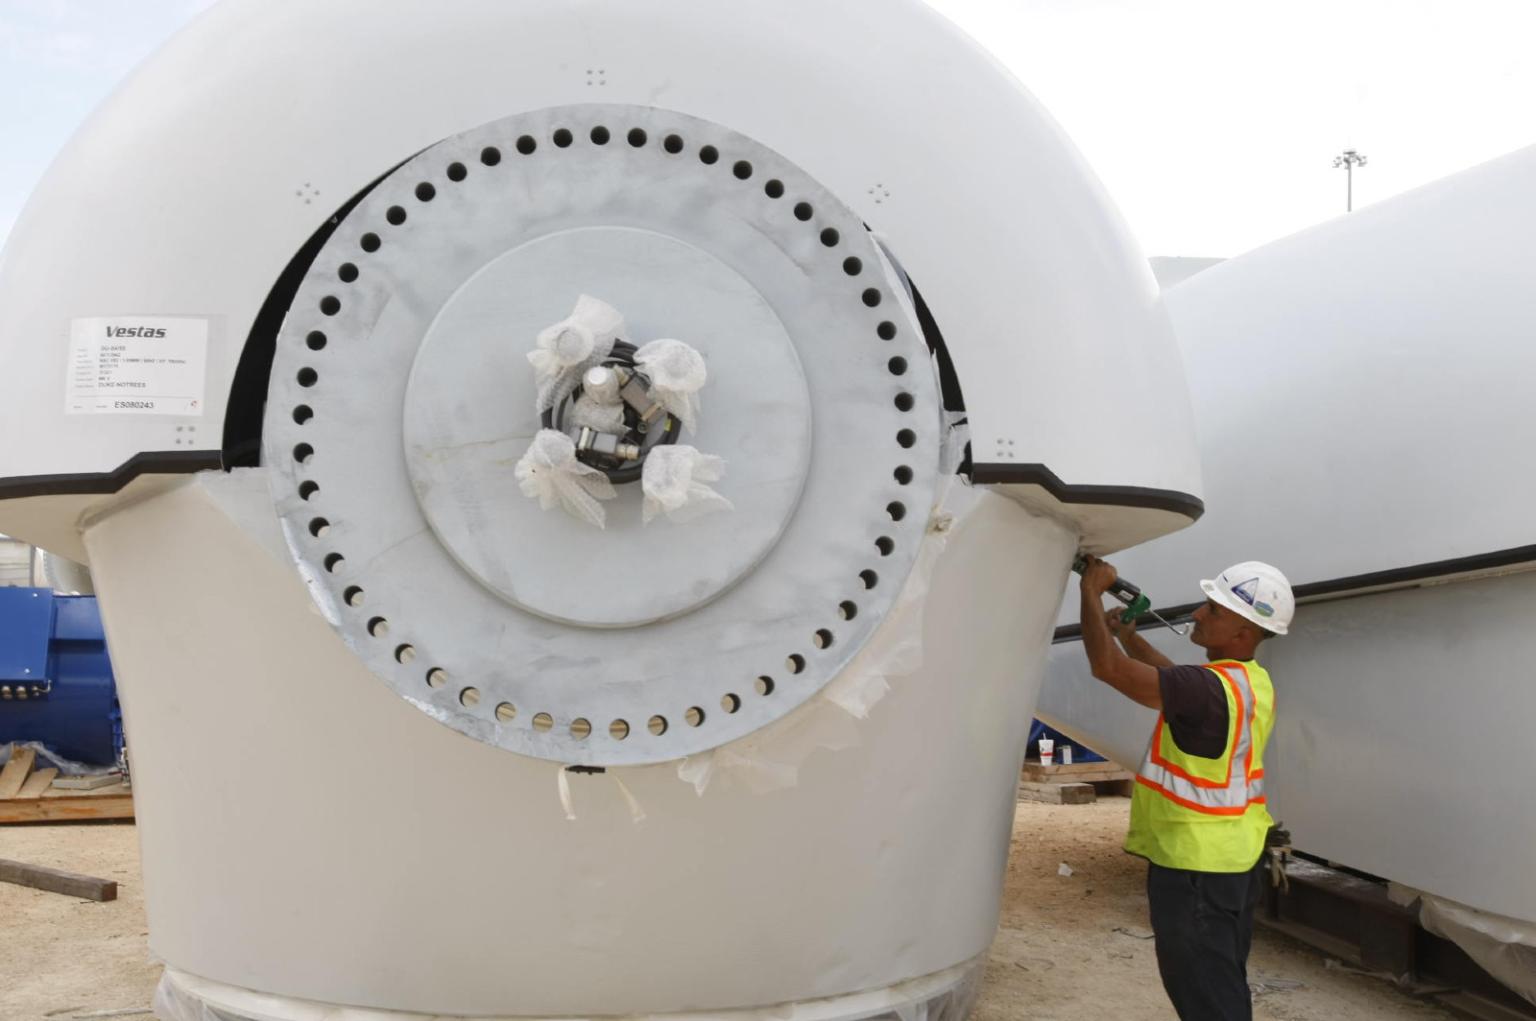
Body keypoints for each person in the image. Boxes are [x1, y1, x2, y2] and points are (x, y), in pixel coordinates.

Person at [1078, 557, 1294, 1021]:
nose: (1198, 613)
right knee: (1220, 979)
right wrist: (1131, 636)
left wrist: (1091, 593)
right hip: (1233, 860)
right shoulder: (1249, 682)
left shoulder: (1212, 689)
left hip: (1196, 866)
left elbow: (1107, 669)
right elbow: (1177, 685)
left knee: (1205, 994)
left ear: (1243, 633)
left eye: (1214, 610)